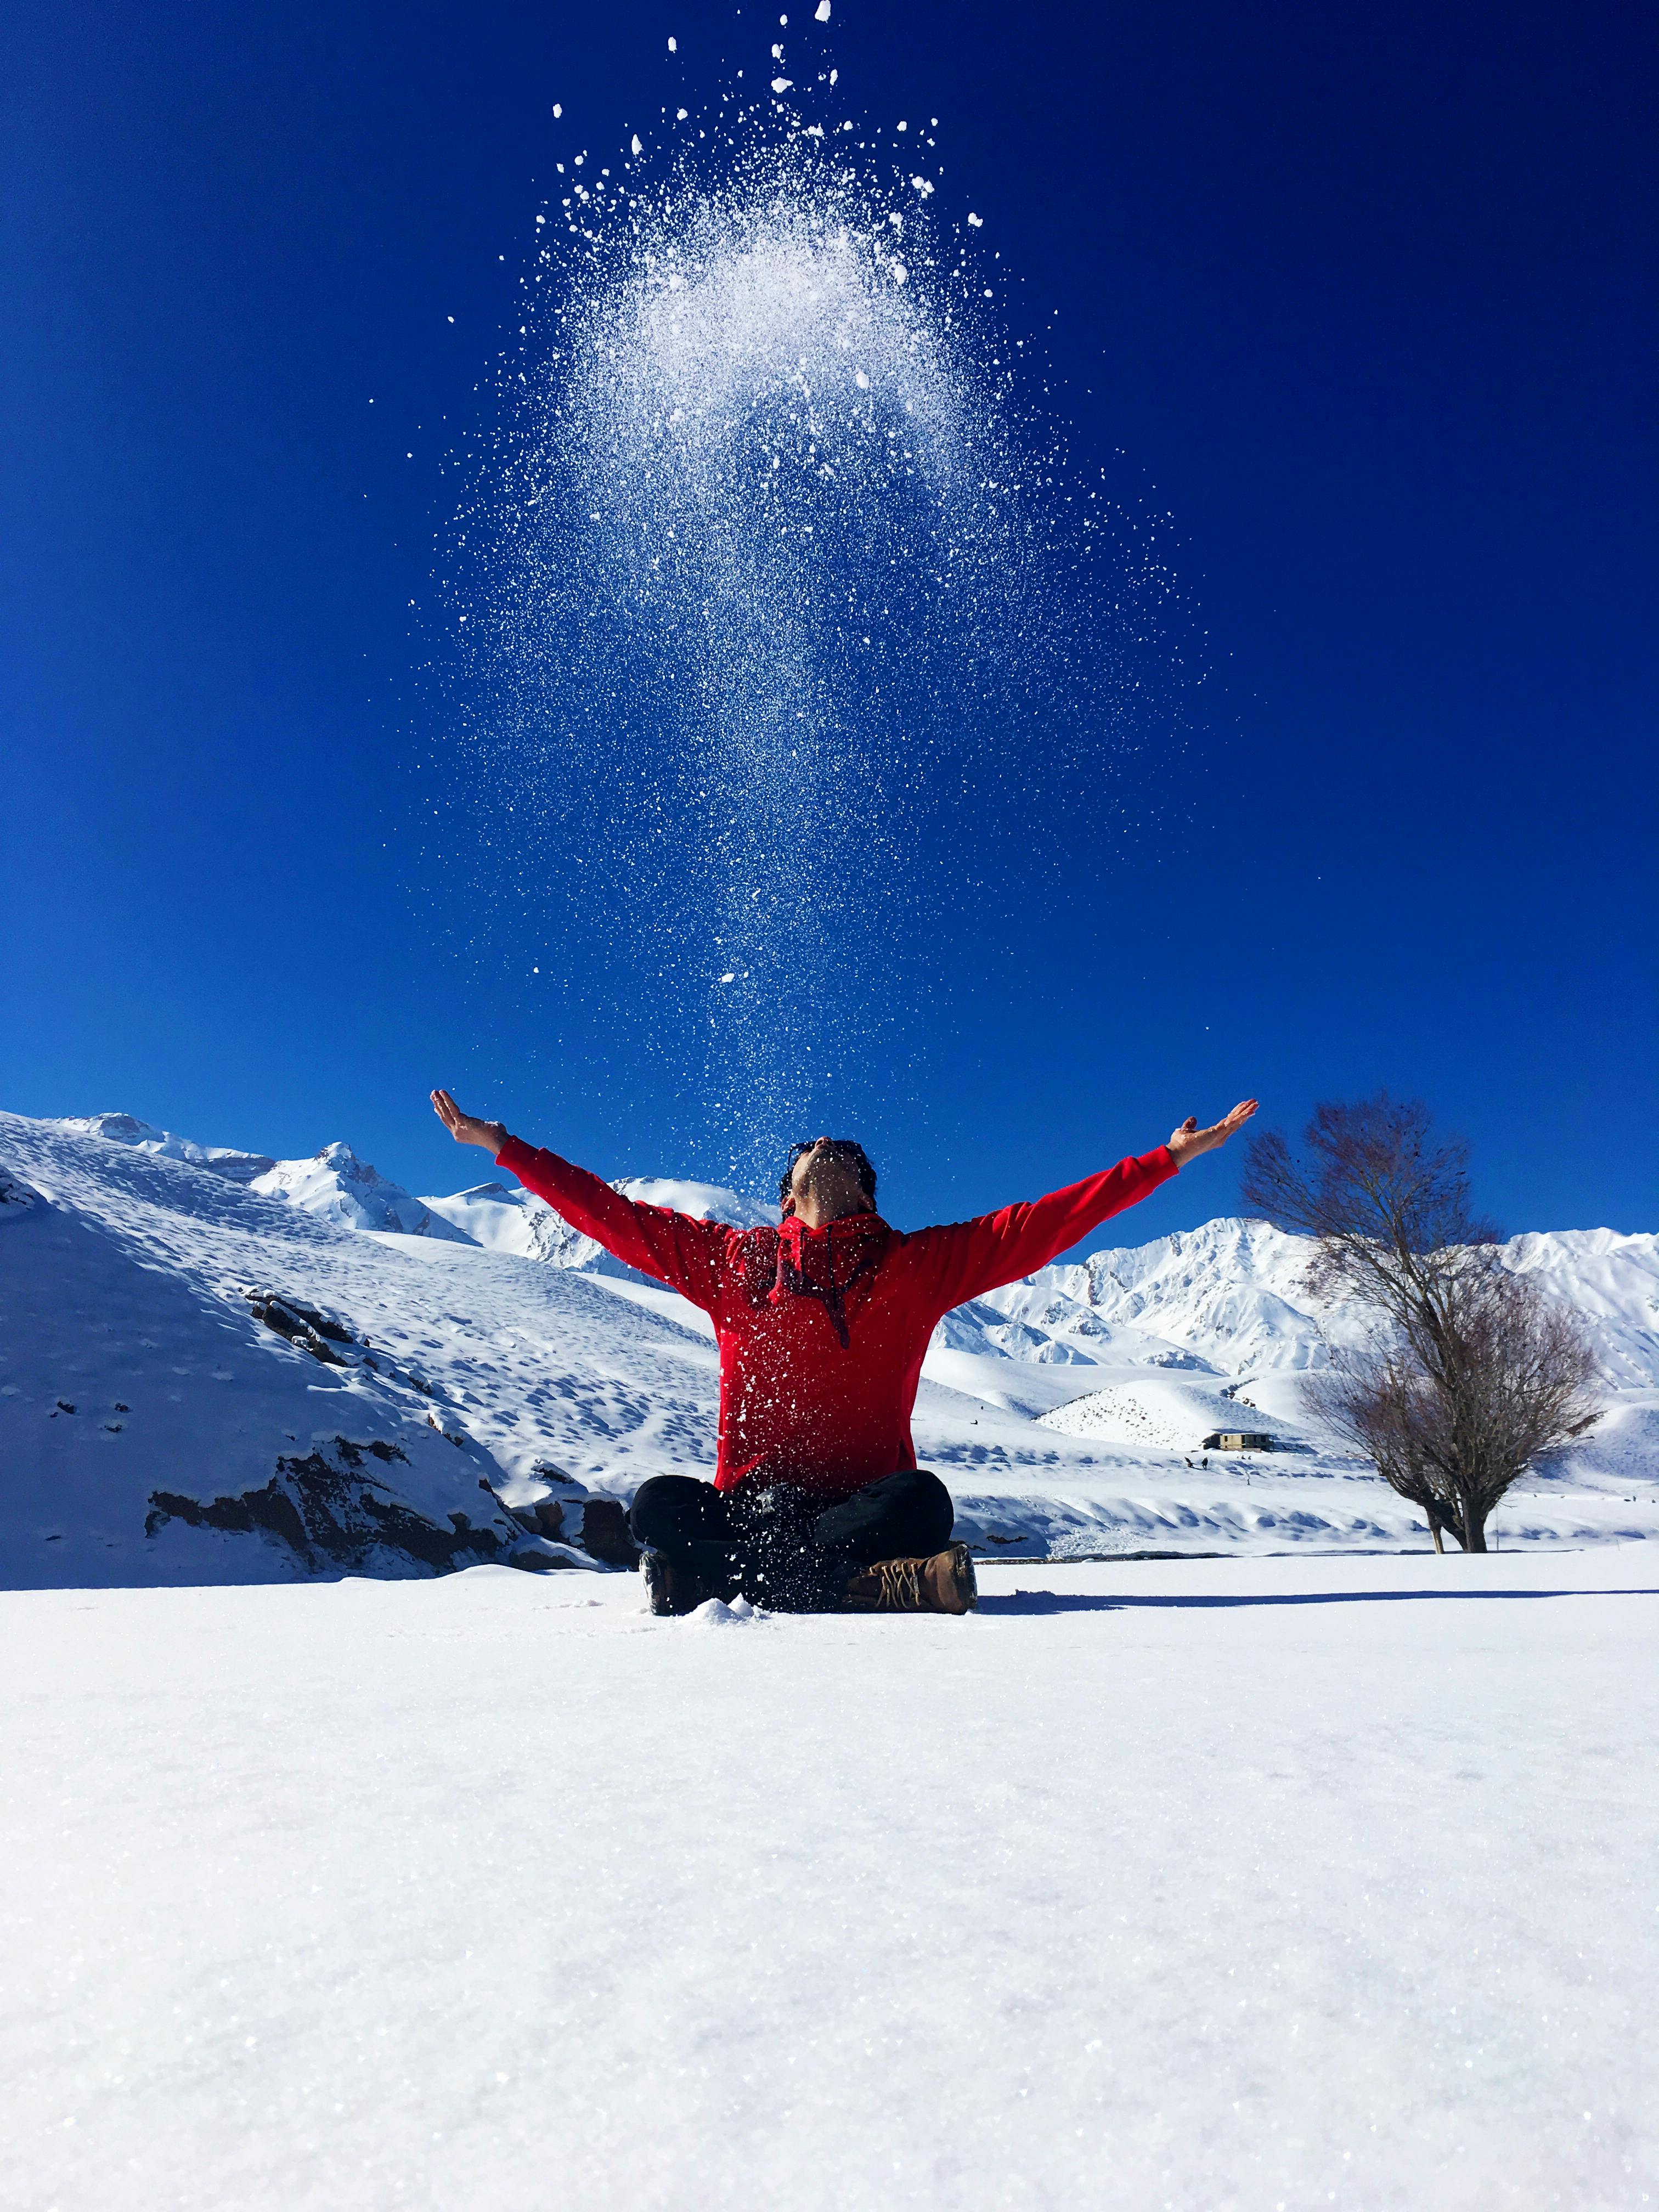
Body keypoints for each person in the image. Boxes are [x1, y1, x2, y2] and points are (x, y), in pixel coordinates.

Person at [430, 1090, 1258, 1615]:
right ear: (786, 1194)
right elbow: (610, 1214)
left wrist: (1167, 1161)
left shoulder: (917, 1265)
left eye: (844, 1149)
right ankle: (860, 1589)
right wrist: (507, 1148)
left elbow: (1049, 1221)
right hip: (755, 1506)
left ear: (867, 1191)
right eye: (809, 1147)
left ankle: (716, 1582)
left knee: (925, 1504)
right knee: (655, 1506)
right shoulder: (734, 1264)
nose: (825, 1141)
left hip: (862, 1512)